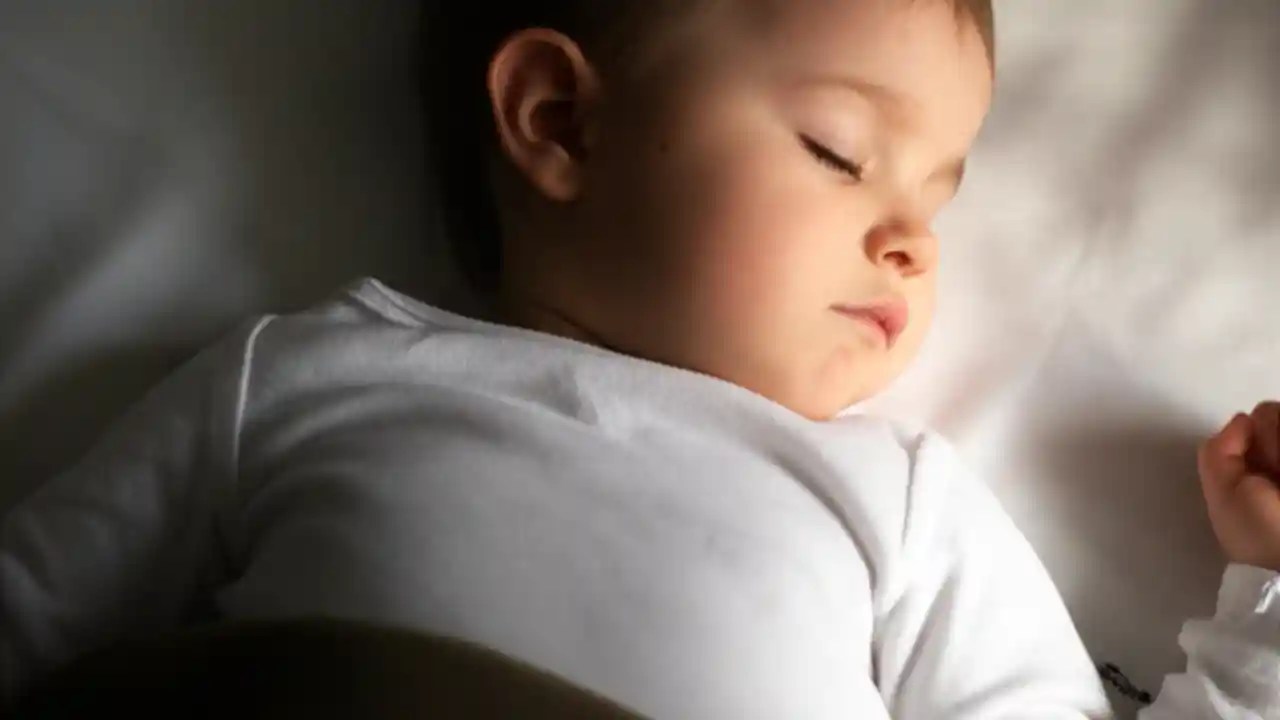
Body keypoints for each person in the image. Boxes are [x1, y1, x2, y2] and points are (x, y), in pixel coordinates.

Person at [3, 1, 1278, 716]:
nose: (905, 243)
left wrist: (1263, 613)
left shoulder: (897, 502)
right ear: (558, 120)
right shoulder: (301, 377)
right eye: (838, 151)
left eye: (934, 203)